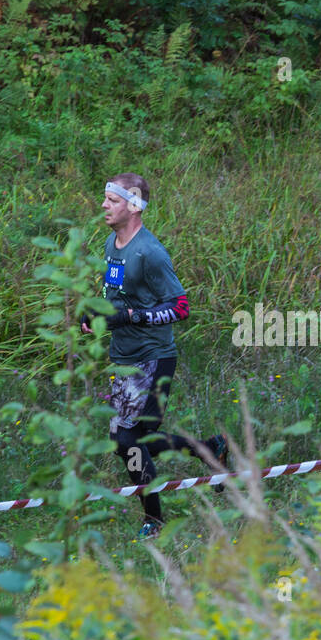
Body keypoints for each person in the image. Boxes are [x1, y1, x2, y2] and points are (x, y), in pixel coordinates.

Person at [80, 173, 230, 538]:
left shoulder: (150, 253)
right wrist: (96, 313)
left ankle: (154, 520)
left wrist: (131, 317)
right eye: (105, 198)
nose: (103, 206)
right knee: (137, 441)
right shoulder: (110, 244)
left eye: (112, 201)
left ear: (134, 206)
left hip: (154, 357)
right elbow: (114, 294)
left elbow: (180, 307)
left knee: (126, 441)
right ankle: (211, 450)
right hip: (123, 357)